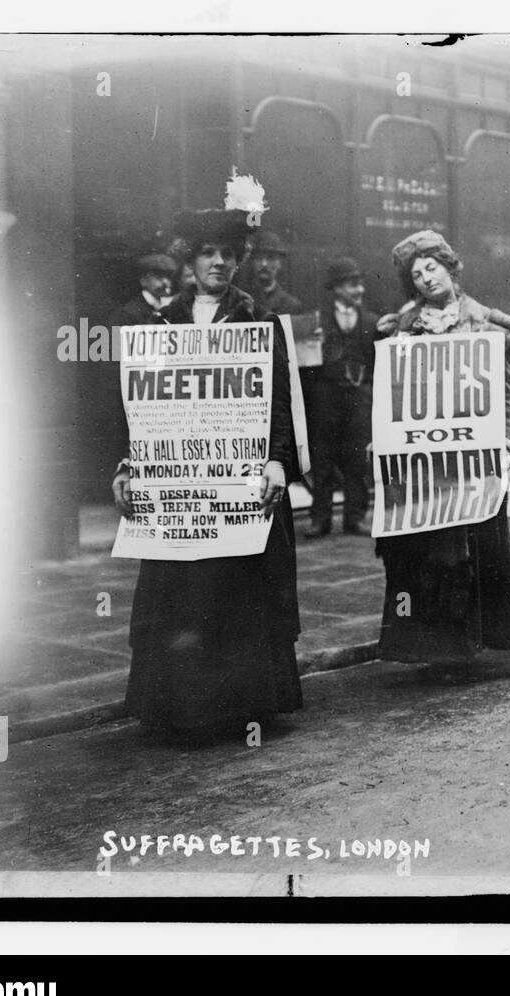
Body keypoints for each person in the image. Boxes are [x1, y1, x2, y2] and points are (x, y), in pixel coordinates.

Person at [110, 207, 302, 740]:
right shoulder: (161, 322)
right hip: (180, 485)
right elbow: (141, 407)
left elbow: (280, 403)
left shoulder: (258, 321)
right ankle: (180, 707)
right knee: (184, 591)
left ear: (240, 261)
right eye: (208, 253)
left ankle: (238, 704)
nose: (219, 263)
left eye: (228, 255)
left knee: (234, 592)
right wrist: (129, 465)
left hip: (240, 481)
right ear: (190, 261)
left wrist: (276, 461)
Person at [371, 230, 510, 663]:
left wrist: (507, 438)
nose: (426, 279)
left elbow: (504, 391)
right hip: (424, 462)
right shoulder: (403, 328)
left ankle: (475, 641)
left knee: (477, 547)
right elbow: (392, 392)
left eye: (432, 268)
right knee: (426, 551)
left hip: (474, 458)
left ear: (450, 268)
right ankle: (434, 647)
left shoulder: (488, 324)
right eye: (416, 275)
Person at [304, 258, 378, 538]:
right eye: (351, 284)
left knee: (357, 459)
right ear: (336, 288)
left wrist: (368, 390)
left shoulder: (371, 321)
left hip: (360, 396)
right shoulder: (316, 322)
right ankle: (320, 518)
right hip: (327, 396)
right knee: (322, 459)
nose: (359, 289)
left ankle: (354, 518)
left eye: (360, 283)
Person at [109, 252, 177, 327]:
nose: (165, 282)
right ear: (143, 280)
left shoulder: (173, 308)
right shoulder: (127, 314)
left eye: (168, 277)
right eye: (159, 276)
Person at [245, 230, 302, 316]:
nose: (264, 264)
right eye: (259, 258)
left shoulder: (291, 305)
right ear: (253, 262)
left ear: (279, 263)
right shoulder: (240, 302)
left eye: (270, 258)